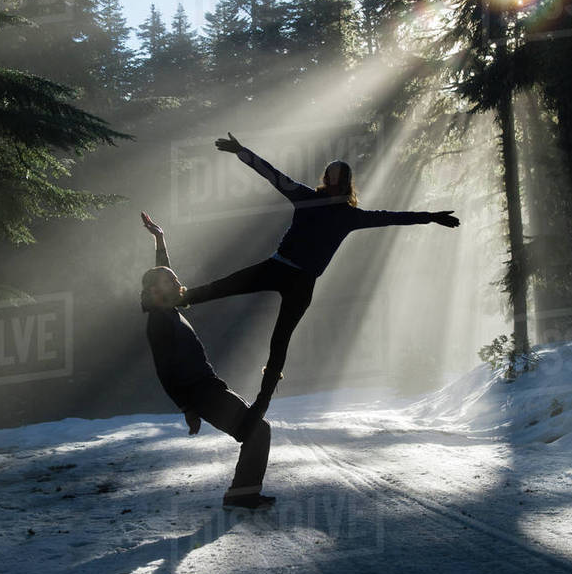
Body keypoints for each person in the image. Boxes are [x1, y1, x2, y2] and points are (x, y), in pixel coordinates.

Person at [176, 132, 460, 424]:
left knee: (281, 339)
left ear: (346, 180)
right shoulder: (305, 197)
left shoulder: (351, 215)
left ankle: (261, 404)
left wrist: (431, 216)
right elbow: (272, 174)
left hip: (303, 282)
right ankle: (181, 298)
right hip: (278, 266)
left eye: (339, 175)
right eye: (330, 173)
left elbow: (391, 216)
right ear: (326, 177)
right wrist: (242, 151)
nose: (333, 178)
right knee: (227, 285)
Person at [140, 211, 275, 510]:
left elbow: (162, 273)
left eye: (175, 279)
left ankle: (243, 494)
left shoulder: (167, 308)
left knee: (257, 430)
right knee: (257, 430)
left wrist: (160, 239)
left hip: (208, 388)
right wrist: (187, 407)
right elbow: (165, 370)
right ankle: (242, 495)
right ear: (154, 291)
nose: (178, 282)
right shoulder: (159, 321)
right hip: (201, 393)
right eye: (170, 281)